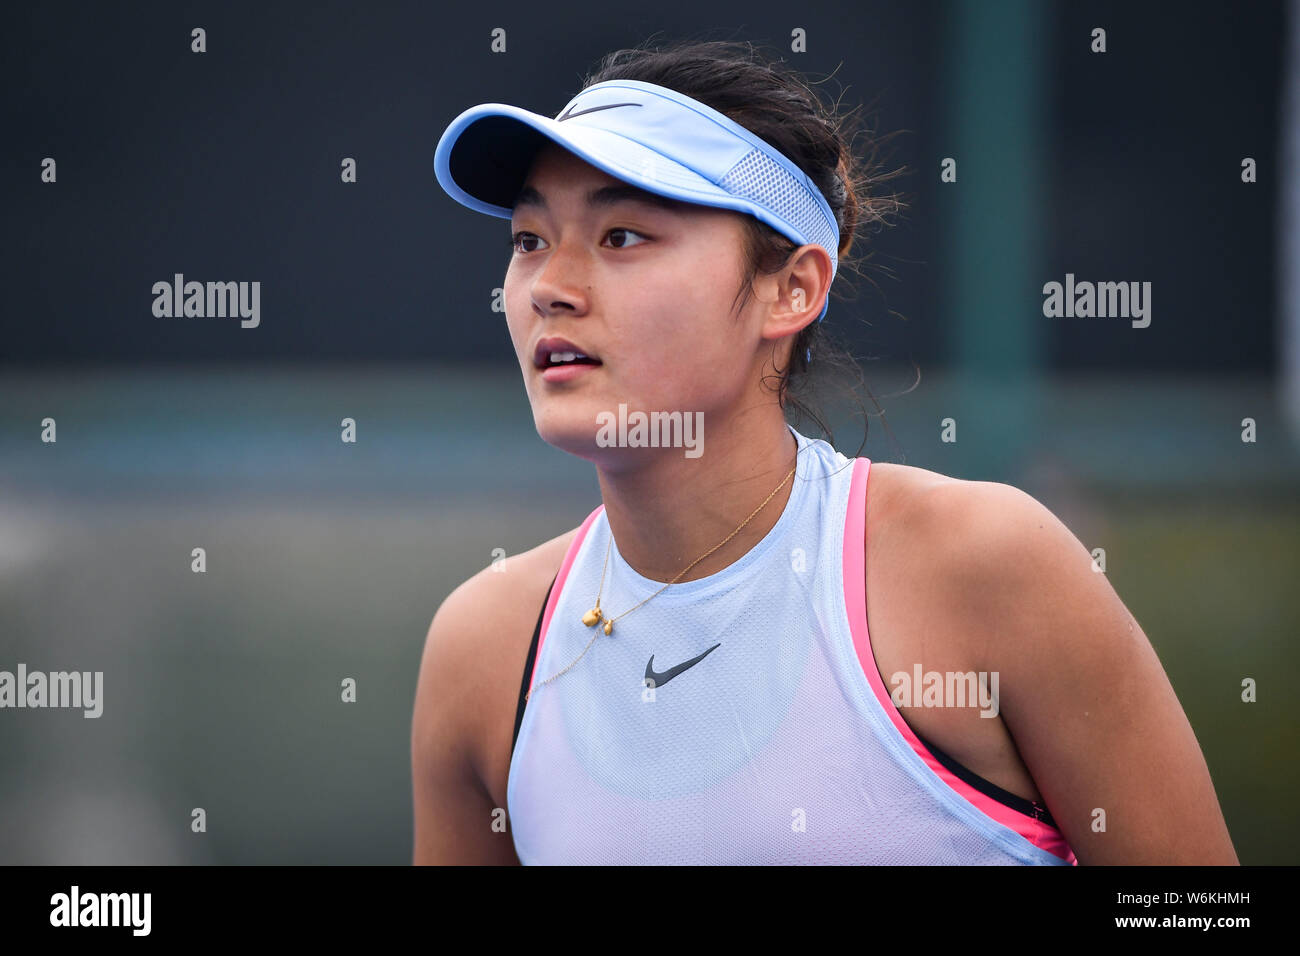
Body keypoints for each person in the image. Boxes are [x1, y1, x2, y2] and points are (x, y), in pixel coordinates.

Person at [411, 38, 1238, 865]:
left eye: (623, 235)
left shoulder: (986, 564)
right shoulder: (482, 648)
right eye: (528, 239)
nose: (550, 284)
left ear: (793, 288)